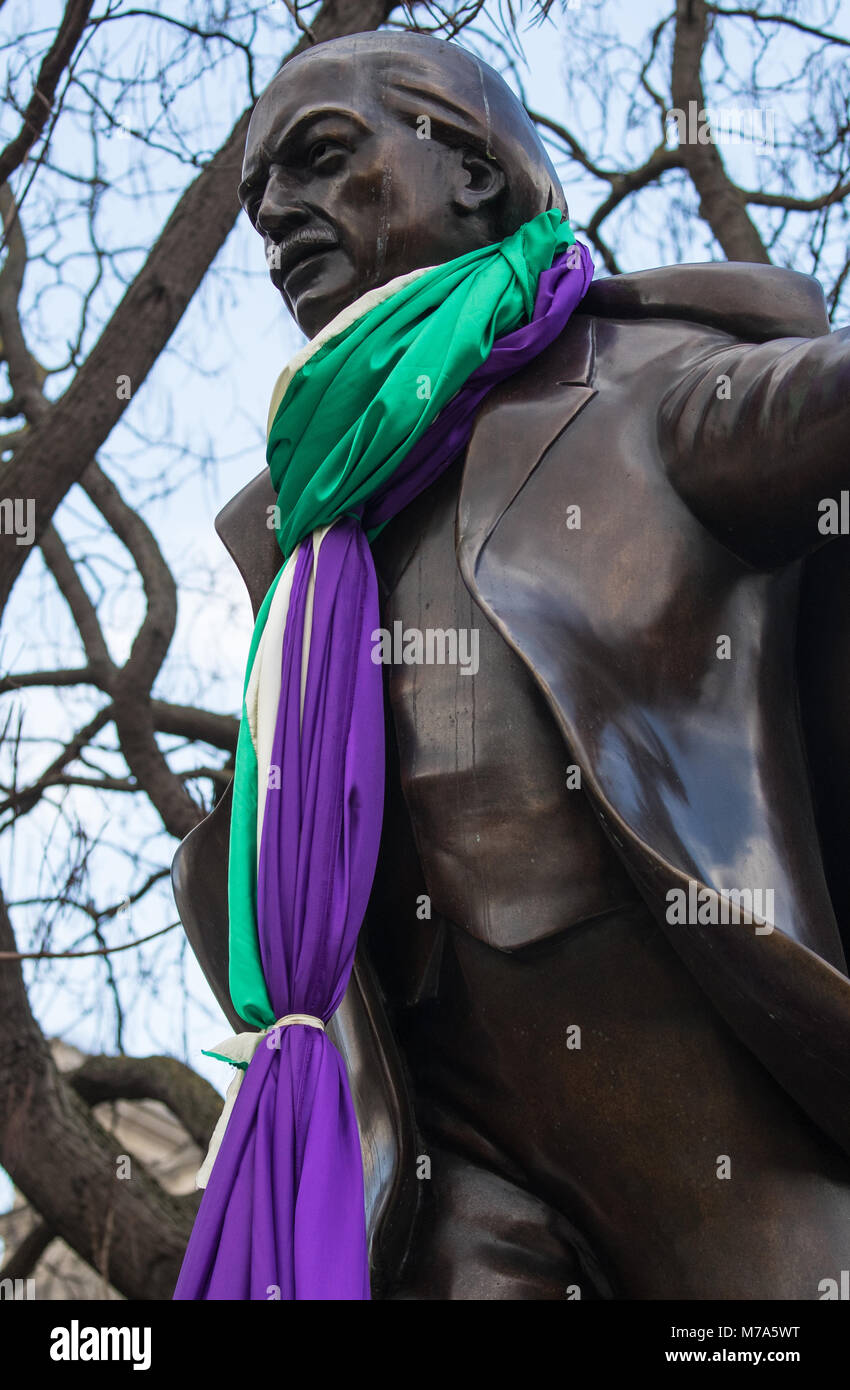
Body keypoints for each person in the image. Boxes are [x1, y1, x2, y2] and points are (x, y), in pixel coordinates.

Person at [173, 30, 850, 1299]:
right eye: (258, 189)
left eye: (320, 159)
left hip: (707, 1108)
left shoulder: (646, 386)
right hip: (446, 1151)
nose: (273, 213)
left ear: (472, 171)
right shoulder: (315, 531)